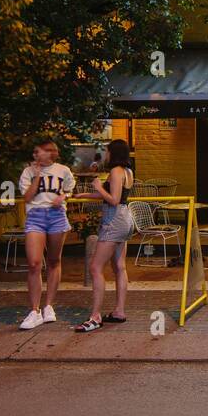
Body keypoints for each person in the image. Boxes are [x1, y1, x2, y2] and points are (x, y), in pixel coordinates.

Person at [71, 140, 134, 333]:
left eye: (106, 151)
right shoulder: (127, 172)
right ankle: (119, 311)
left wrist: (98, 187)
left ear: (113, 153)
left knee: (95, 267)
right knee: (119, 267)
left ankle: (95, 317)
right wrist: (86, 195)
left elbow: (113, 200)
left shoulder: (115, 171)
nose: (104, 154)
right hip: (125, 218)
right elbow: (118, 196)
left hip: (113, 221)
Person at [17, 138, 75, 330]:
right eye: (33, 152)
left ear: (50, 152)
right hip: (36, 215)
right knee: (34, 263)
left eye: (38, 151)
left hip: (57, 215)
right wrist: (37, 176)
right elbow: (26, 197)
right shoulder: (28, 172)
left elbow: (69, 190)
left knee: (54, 261)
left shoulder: (63, 170)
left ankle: (48, 306)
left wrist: (63, 196)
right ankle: (34, 310)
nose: (35, 155)